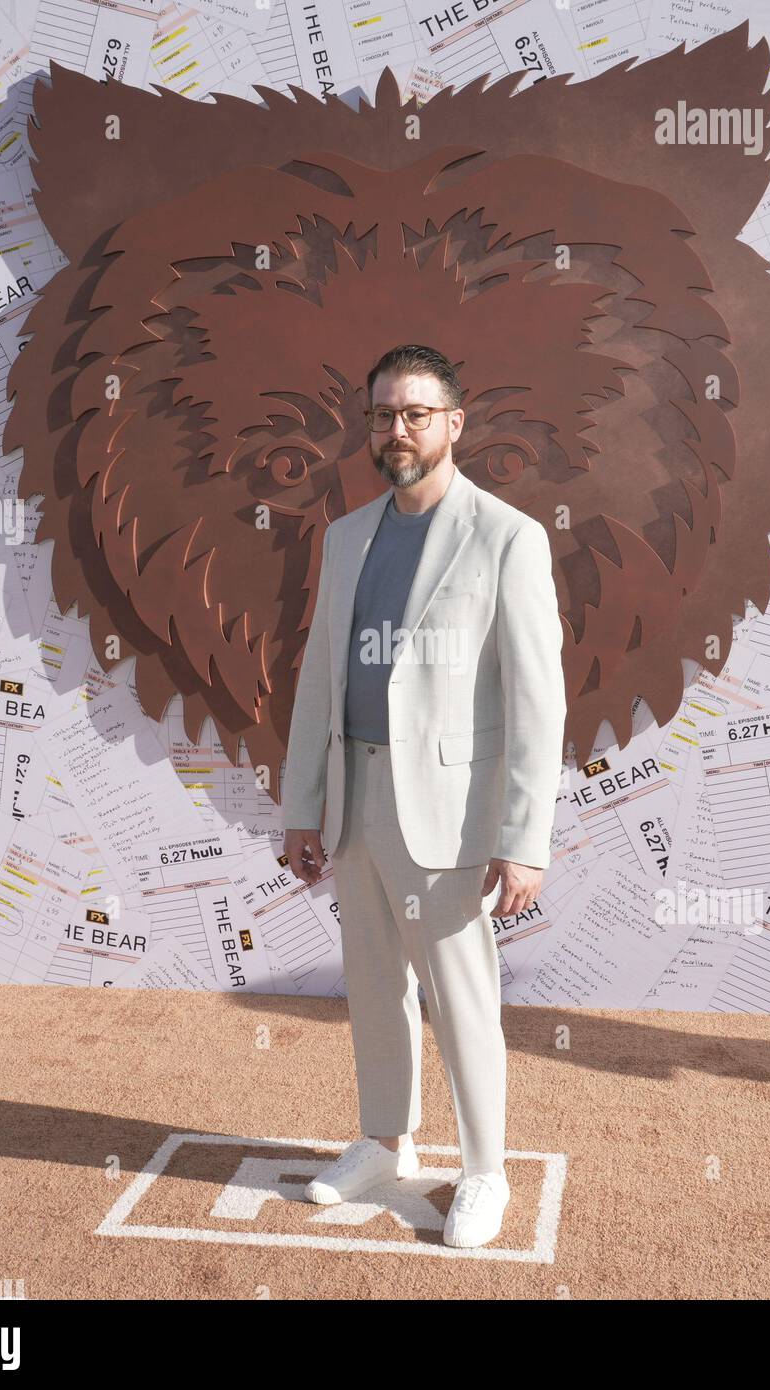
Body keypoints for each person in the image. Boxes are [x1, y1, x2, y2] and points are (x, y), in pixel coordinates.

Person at [281, 344, 566, 1249]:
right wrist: (302, 804)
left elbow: (536, 699)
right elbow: (319, 677)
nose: (394, 430)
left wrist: (523, 836)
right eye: (380, 415)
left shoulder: (507, 536)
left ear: (453, 422)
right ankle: (383, 1140)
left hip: (446, 814)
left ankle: (483, 1170)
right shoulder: (346, 535)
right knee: (371, 985)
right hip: (357, 795)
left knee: (461, 996)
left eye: (413, 414)